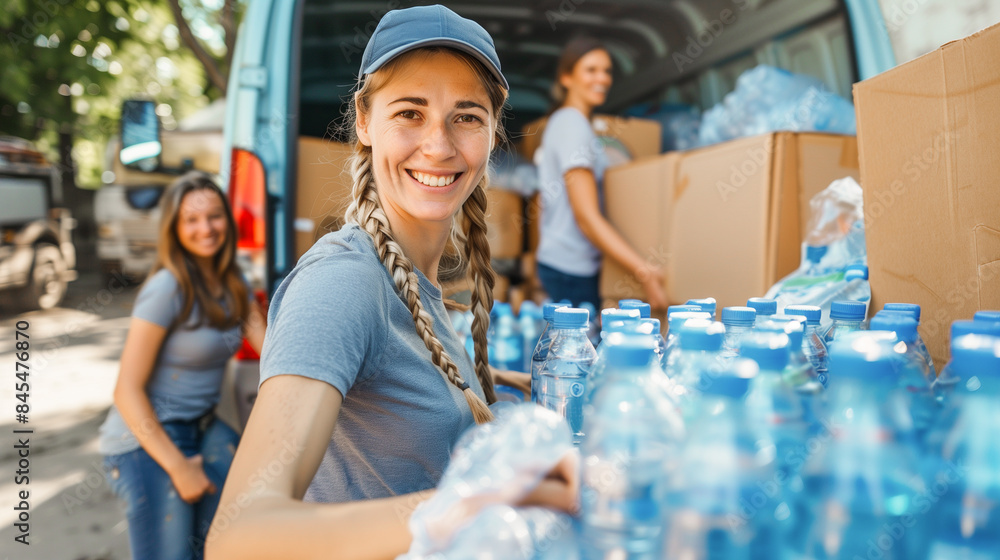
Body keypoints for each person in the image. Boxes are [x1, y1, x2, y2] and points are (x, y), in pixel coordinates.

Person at [205, 5, 575, 560]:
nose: (439, 146)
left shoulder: (414, 282)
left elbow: (385, 383)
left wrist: (488, 382)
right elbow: (239, 538)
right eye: (409, 112)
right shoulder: (342, 282)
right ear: (363, 120)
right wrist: (470, 502)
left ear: (493, 131)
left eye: (467, 116)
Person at [99, 172, 266, 560]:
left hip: (203, 425)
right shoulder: (167, 288)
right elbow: (125, 390)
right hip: (145, 438)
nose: (205, 228)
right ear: (174, 228)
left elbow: (273, 351)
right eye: (191, 220)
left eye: (214, 216)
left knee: (227, 541)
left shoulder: (234, 281)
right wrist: (178, 467)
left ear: (228, 218)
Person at [535, 37, 669, 310]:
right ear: (566, 77)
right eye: (591, 70)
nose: (603, 78)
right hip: (572, 269)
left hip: (563, 262)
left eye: (607, 71)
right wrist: (644, 271)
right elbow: (586, 216)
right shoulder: (573, 125)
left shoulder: (570, 124)